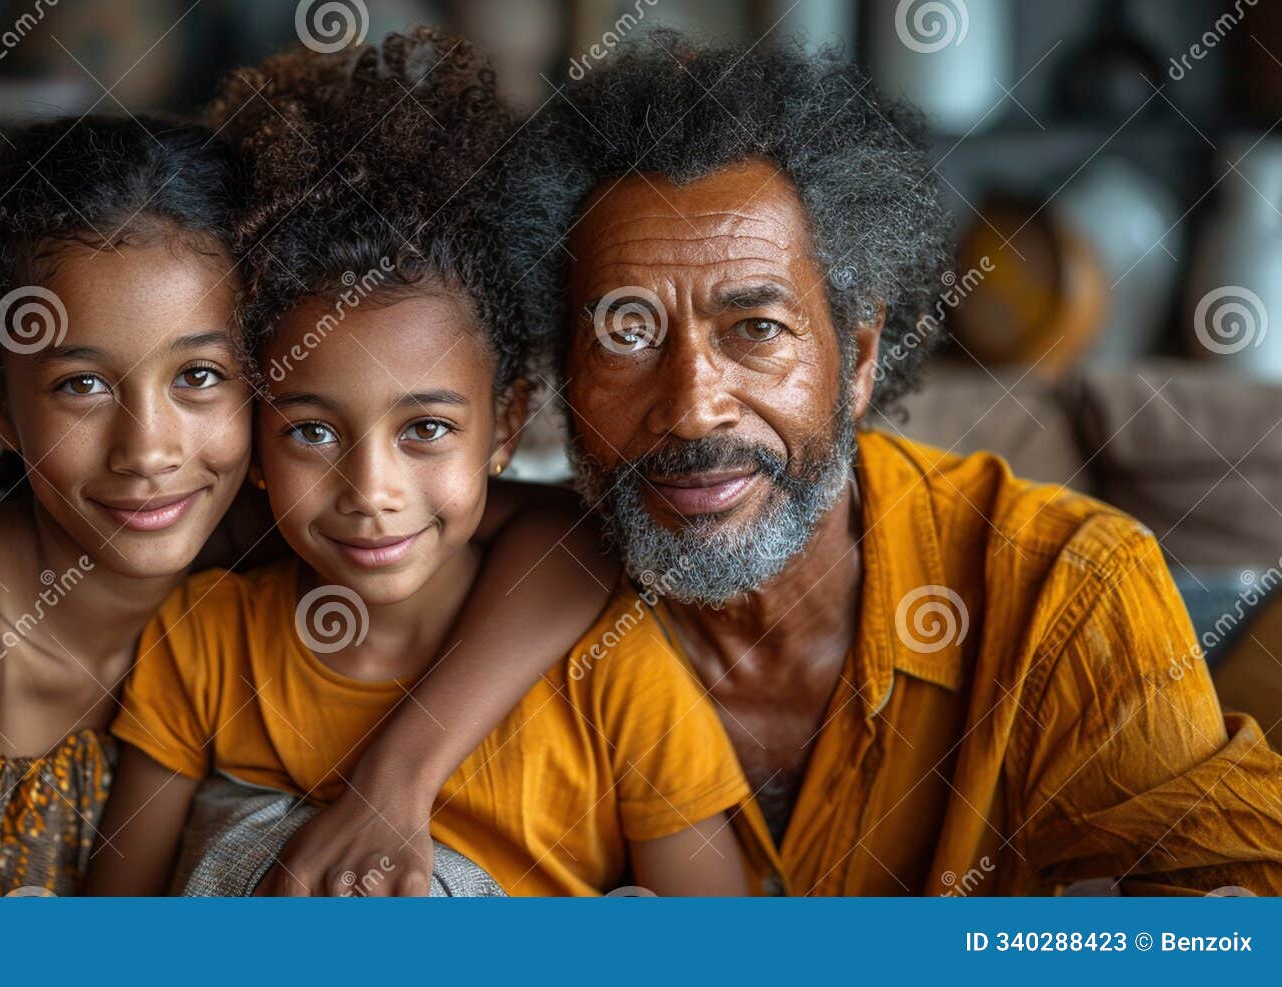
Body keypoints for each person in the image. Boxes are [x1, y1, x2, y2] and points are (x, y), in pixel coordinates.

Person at [338, 32, 1282, 896]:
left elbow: (1225, 918)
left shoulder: (1066, 589)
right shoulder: (486, 617)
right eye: (626, 334)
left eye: (756, 330)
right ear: (561, 376)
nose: (693, 406)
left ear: (859, 357)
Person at [0, 112, 617, 896]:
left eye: (199, 376)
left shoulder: (266, 519)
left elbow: (568, 536)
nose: (149, 450)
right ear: (0, 403)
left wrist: (394, 783)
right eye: (80, 385)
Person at [84, 29, 749, 898]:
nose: (371, 493)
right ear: (252, 434)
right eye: (312, 432)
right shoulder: (205, 645)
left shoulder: (612, 669)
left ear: (506, 425)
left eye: (426, 429)